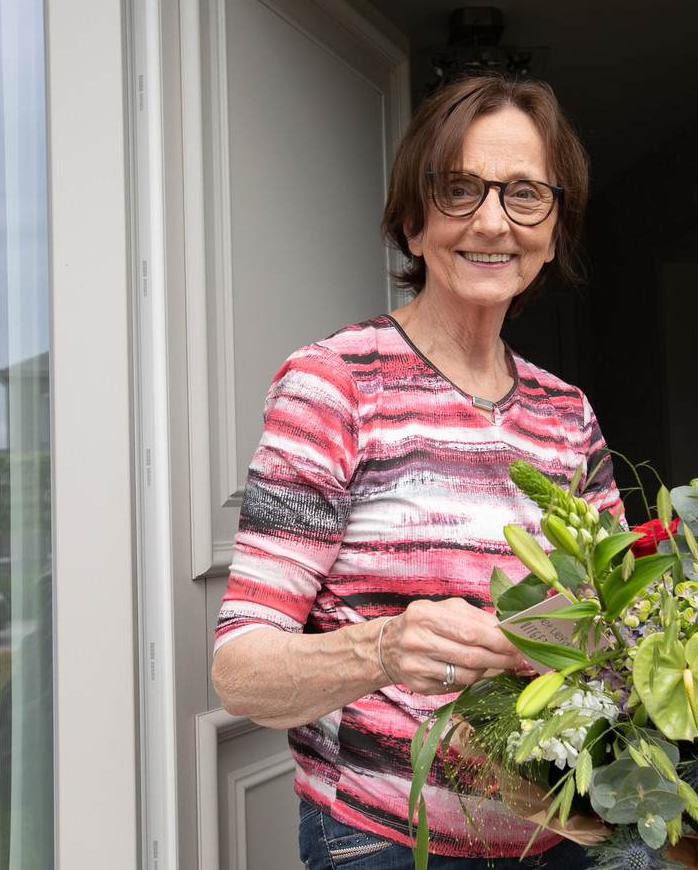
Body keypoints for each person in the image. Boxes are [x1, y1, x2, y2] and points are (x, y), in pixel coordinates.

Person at [212, 74, 623, 870]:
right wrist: (386, 648)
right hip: (389, 842)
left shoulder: (566, 412)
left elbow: (614, 622)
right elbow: (241, 671)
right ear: (411, 216)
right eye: (460, 189)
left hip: (565, 833)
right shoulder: (336, 384)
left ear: (553, 226)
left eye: (526, 194)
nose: (493, 221)